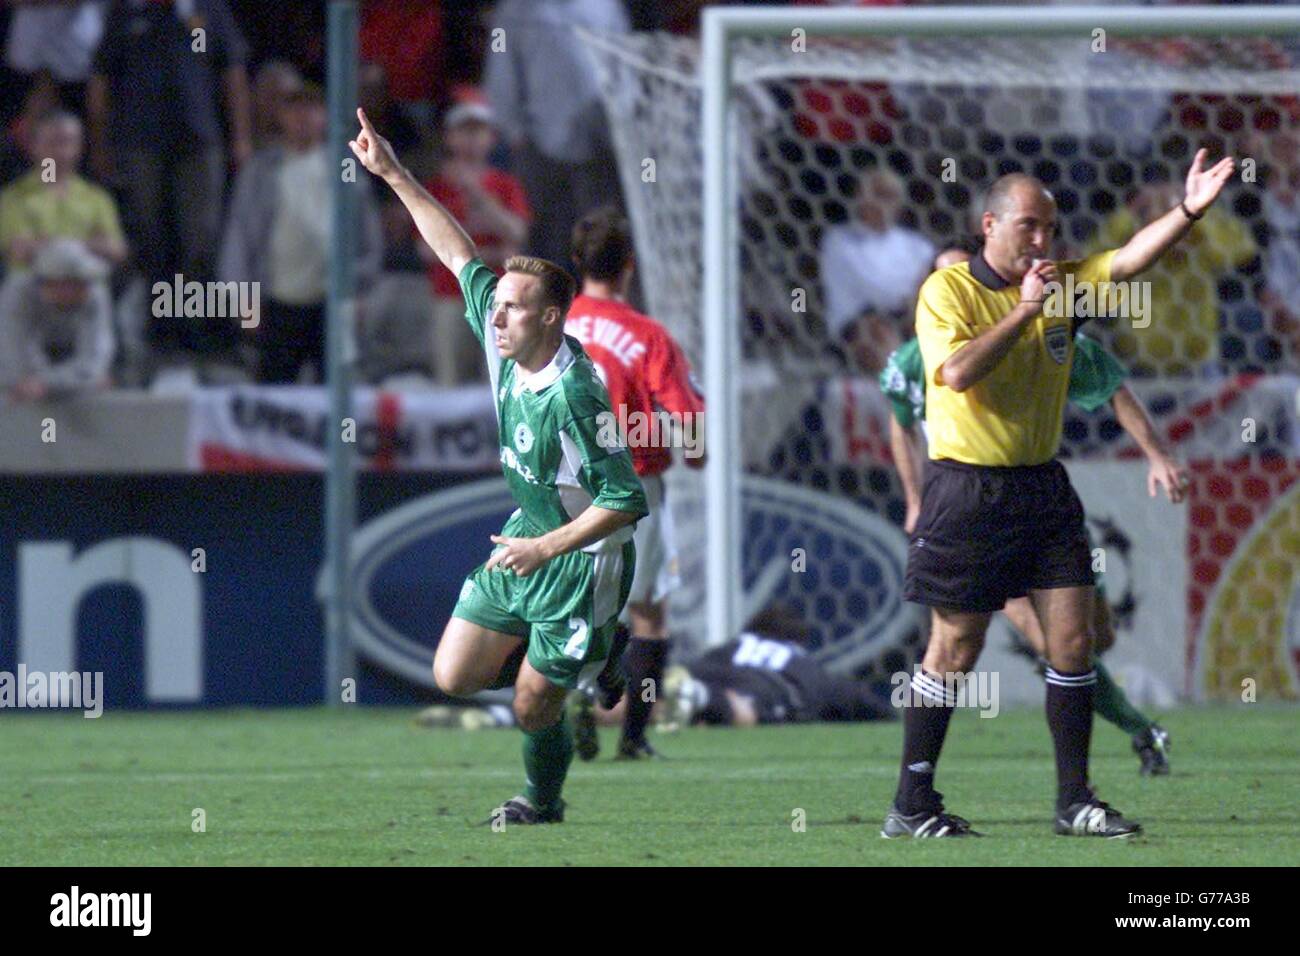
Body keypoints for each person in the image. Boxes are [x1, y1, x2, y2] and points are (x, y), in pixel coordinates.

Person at [884, 152, 1234, 839]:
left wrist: (1189, 210)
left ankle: (1075, 800)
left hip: (1042, 487)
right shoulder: (948, 292)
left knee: (1072, 641)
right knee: (956, 646)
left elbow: (1130, 260)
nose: (1042, 241)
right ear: (990, 225)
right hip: (967, 489)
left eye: (1049, 228)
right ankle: (912, 803)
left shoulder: (1063, 288)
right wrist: (1024, 311)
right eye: (1028, 227)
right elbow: (955, 373)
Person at [349, 108, 648, 826]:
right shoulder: (500, 335)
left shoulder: (577, 396)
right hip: (531, 532)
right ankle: (588, 663)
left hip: (583, 557)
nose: (498, 316)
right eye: (500, 306)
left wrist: (545, 548)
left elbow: (627, 500)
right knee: (452, 675)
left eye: (515, 309)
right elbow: (457, 254)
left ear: (551, 319)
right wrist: (394, 173)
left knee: (529, 705)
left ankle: (541, 801)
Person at [882, 245, 1180, 777]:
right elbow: (899, 422)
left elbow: (1112, 386)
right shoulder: (915, 358)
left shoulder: (1047, 331)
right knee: (1026, 644)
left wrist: (1157, 454)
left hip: (1038, 498)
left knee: (1090, 639)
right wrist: (914, 497)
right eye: (944, 277)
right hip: (970, 507)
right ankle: (1132, 737)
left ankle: (1106, 759)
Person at [562, 205, 705, 760]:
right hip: (630, 484)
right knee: (645, 609)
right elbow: (684, 412)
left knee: (574, 602)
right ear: (629, 266)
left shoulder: (553, 324)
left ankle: (577, 689)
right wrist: (697, 455)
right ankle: (635, 738)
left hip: (560, 483)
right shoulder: (646, 335)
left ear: (577, 263)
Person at [220, 84, 381, 383]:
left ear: (324, 116)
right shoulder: (260, 169)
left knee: (338, 387)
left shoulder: (345, 168)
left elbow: (367, 235)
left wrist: (360, 290)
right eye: (293, 109)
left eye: (311, 109)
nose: (302, 117)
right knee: (274, 394)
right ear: (281, 116)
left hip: (333, 301)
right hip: (278, 299)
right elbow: (239, 235)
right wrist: (241, 295)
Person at [420, 89, 530, 386]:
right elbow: (426, 250)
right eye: (463, 131)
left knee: (502, 383)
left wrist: (476, 193)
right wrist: (490, 251)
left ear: (491, 137)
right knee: (450, 380)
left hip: (498, 299)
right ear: (450, 137)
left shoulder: (505, 185)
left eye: (478, 131)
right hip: (450, 298)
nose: (471, 139)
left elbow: (517, 233)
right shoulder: (435, 189)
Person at [660, 606, 894, 728]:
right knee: (749, 707)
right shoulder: (800, 661)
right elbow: (853, 695)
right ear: (797, 641)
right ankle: (703, 697)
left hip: (710, 671)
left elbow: (704, 663)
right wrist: (887, 714)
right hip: (771, 685)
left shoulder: (734, 645)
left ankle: (636, 706)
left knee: (658, 702)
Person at [819, 167, 935, 373]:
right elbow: (873, 287)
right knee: (877, 333)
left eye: (891, 196)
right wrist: (911, 294)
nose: (885, 204)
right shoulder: (840, 240)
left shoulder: (916, 245)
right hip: (860, 323)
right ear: (861, 197)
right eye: (879, 194)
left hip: (912, 316)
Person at [0, 109, 127, 274]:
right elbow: (17, 251)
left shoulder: (96, 197)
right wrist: (83, 244)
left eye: (67, 142)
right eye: (53, 142)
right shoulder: (15, 196)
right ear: (34, 146)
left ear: (79, 147)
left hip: (83, 283)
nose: (60, 151)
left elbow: (116, 250)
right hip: (32, 283)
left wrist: (51, 245)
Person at [0, 237, 113, 400]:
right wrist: (31, 381)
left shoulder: (95, 294)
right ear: (54, 282)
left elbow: (94, 363)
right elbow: (14, 363)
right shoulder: (17, 294)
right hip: (25, 371)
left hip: (65, 368)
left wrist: (47, 383)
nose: (83, 289)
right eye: (75, 283)